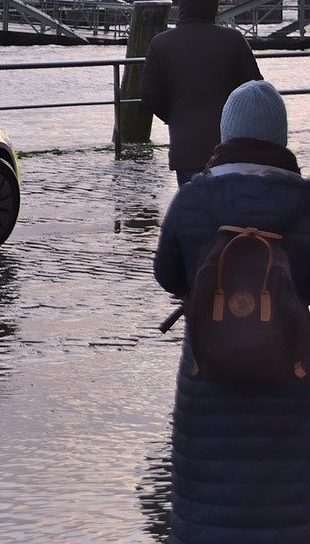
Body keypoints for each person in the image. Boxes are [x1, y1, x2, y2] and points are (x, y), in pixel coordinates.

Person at [154, 80, 310, 541]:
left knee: (208, 506)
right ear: (280, 137)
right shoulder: (306, 203)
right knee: (289, 506)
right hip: (293, 378)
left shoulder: (193, 200)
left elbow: (167, 274)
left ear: (225, 134)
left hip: (208, 378)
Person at [141, 0, 262, 185]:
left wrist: (174, 115)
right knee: (230, 212)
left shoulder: (160, 43)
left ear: (182, 4)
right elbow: (255, 91)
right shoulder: (233, 40)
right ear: (214, 4)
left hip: (185, 147)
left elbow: (148, 94)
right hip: (230, 148)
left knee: (193, 212)